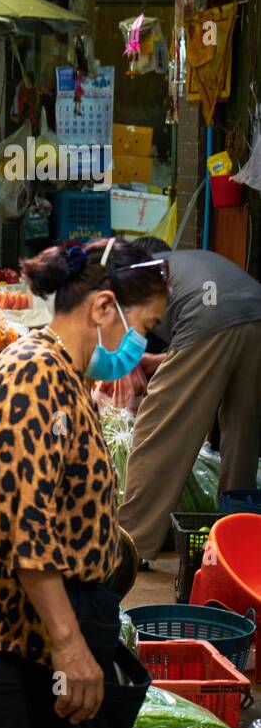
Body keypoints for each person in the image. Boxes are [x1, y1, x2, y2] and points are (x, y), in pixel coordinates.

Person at [0, 238, 168, 728]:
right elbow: (28, 527)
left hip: (24, 636)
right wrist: (69, 644)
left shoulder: (65, 374)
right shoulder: (33, 374)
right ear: (104, 307)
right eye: (143, 328)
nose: (142, 344)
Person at [119, 236, 261, 560]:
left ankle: (132, 545)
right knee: (242, 428)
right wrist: (159, 361)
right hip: (255, 314)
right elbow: (211, 337)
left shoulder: (141, 271)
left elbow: (134, 339)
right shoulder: (189, 262)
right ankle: (234, 536)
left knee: (160, 427)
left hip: (208, 317)